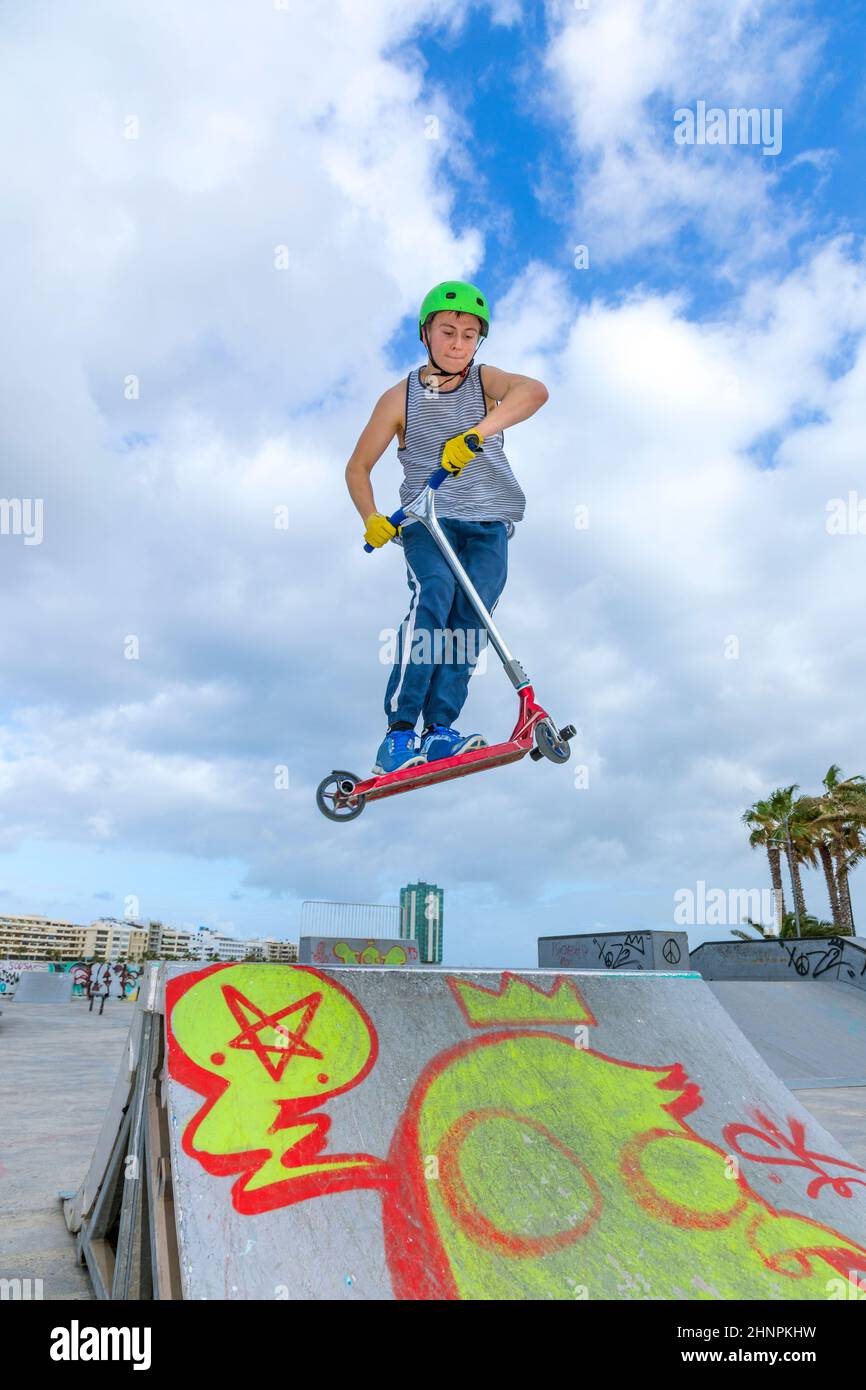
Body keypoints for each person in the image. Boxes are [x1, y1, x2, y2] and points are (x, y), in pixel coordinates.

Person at [345, 280, 549, 774]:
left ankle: (440, 731)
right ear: (425, 333)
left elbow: (535, 392)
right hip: (427, 523)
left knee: (469, 624)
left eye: (468, 335)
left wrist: (479, 432)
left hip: (489, 524)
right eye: (447, 332)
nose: (457, 344)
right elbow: (358, 468)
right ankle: (397, 734)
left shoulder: (485, 381)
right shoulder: (401, 398)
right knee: (433, 599)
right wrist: (371, 517)